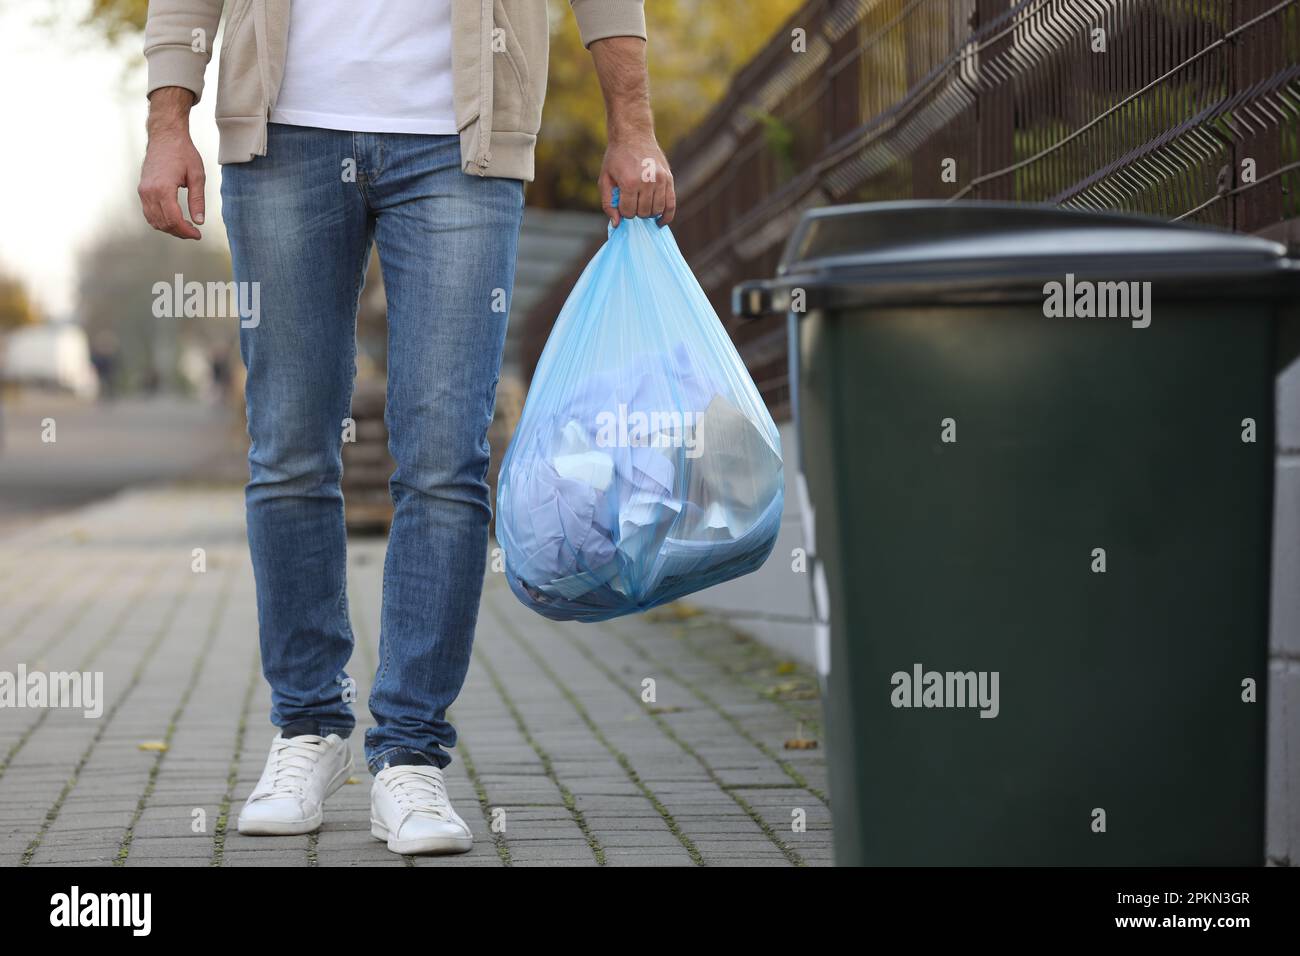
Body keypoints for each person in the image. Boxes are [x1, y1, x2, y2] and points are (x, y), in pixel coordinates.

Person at [137, 0, 675, 856]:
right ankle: (308, 730)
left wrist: (633, 123)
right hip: (281, 135)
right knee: (287, 451)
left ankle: (411, 756)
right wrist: (171, 119)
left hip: (462, 141)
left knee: (446, 460)